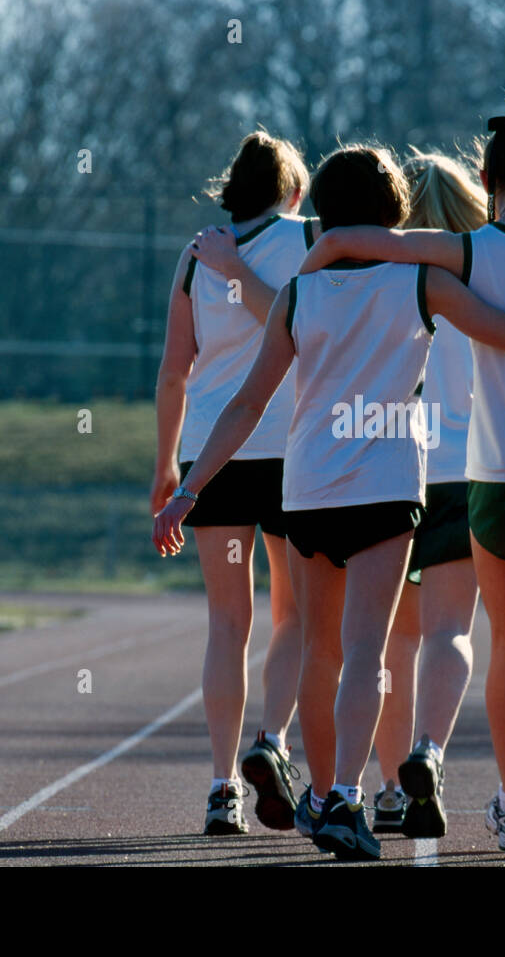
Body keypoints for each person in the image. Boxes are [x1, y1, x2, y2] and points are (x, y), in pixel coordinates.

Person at [155, 142, 505, 861]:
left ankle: (327, 791)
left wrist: (187, 489)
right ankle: (346, 799)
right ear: (393, 215)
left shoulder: (301, 291)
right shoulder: (422, 286)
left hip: (308, 486)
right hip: (388, 487)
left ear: (325, 217)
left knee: (317, 648)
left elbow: (244, 405)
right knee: (368, 649)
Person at [297, 112, 505, 860]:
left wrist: (311, 269)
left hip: (492, 472)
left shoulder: (465, 255)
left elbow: (356, 239)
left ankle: (436, 782)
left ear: (489, 177)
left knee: (495, 642)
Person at [150, 130, 315, 836]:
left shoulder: (196, 257)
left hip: (213, 458)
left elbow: (171, 373)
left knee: (228, 622)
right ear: (294, 190)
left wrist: (165, 464)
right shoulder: (310, 239)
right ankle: (267, 743)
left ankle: (225, 784)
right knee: (292, 614)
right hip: (281, 452)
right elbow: (298, 324)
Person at [369, 150, 487, 840]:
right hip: (466, 469)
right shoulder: (487, 273)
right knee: (452, 629)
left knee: (390, 641)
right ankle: (430, 750)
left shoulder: (379, 274)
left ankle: (387, 788)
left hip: (390, 469)